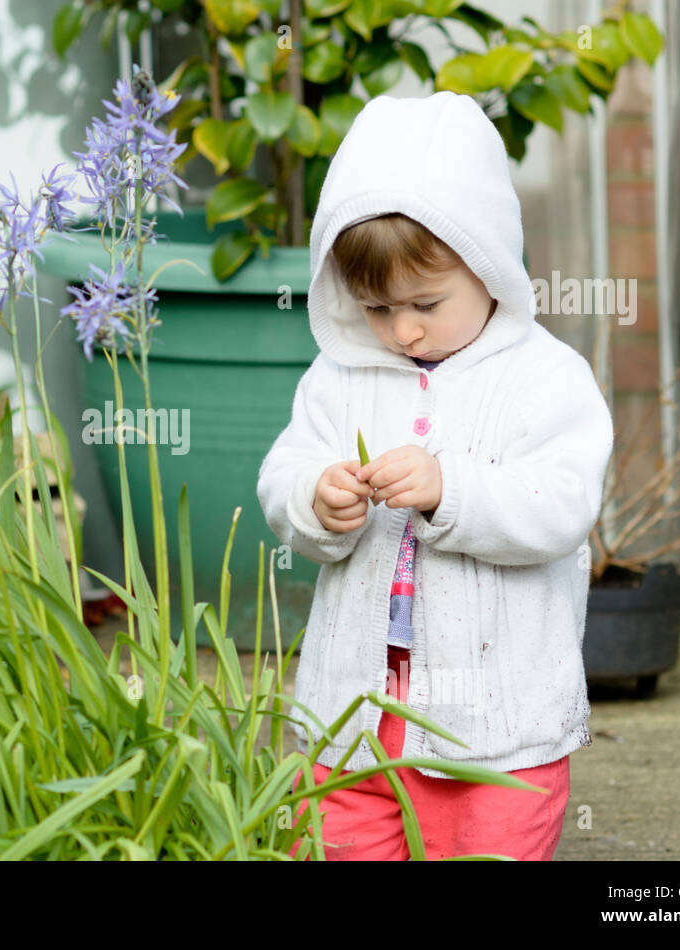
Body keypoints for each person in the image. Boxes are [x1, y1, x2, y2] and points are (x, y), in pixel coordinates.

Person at [256, 91, 614, 860]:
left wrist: (454, 490)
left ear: (490, 266)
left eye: (426, 303)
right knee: (334, 846)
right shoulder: (340, 375)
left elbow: (562, 506)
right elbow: (285, 469)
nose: (403, 329)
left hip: (493, 729)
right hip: (354, 721)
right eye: (378, 308)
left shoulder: (546, 380)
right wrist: (315, 499)